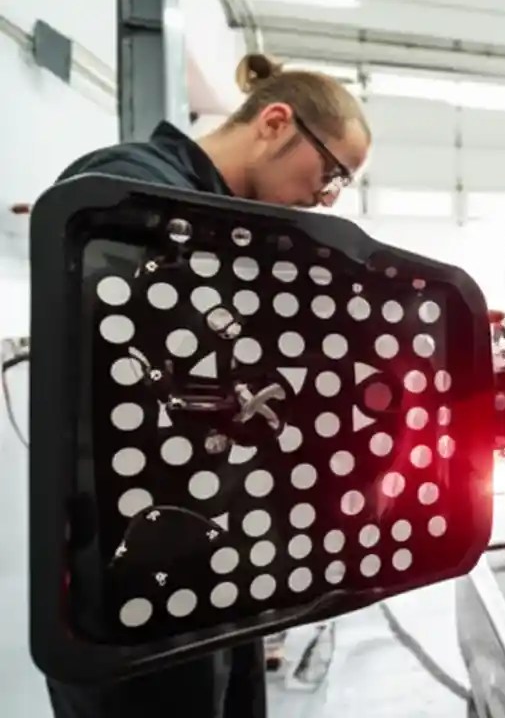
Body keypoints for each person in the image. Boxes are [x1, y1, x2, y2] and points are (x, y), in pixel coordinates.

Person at [44, 53, 371, 718]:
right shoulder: (127, 182)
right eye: (330, 172)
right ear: (276, 122)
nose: (324, 196)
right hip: (132, 575)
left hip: (208, 555)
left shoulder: (231, 226)